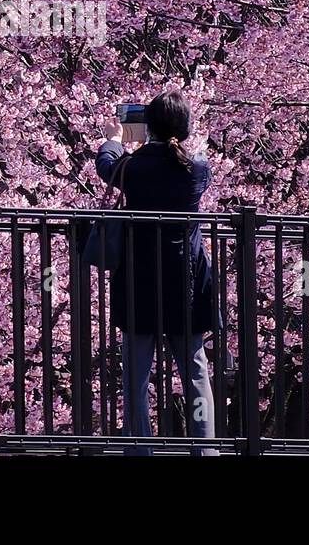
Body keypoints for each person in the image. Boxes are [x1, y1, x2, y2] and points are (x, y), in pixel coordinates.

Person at [96, 90, 220, 455]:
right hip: (187, 282)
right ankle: (205, 449)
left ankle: (139, 448)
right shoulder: (197, 167)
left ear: (147, 126)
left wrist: (113, 140)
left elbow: (107, 165)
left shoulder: (133, 168)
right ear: (185, 127)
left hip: (139, 280)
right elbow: (175, 162)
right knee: (196, 372)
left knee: (136, 375)